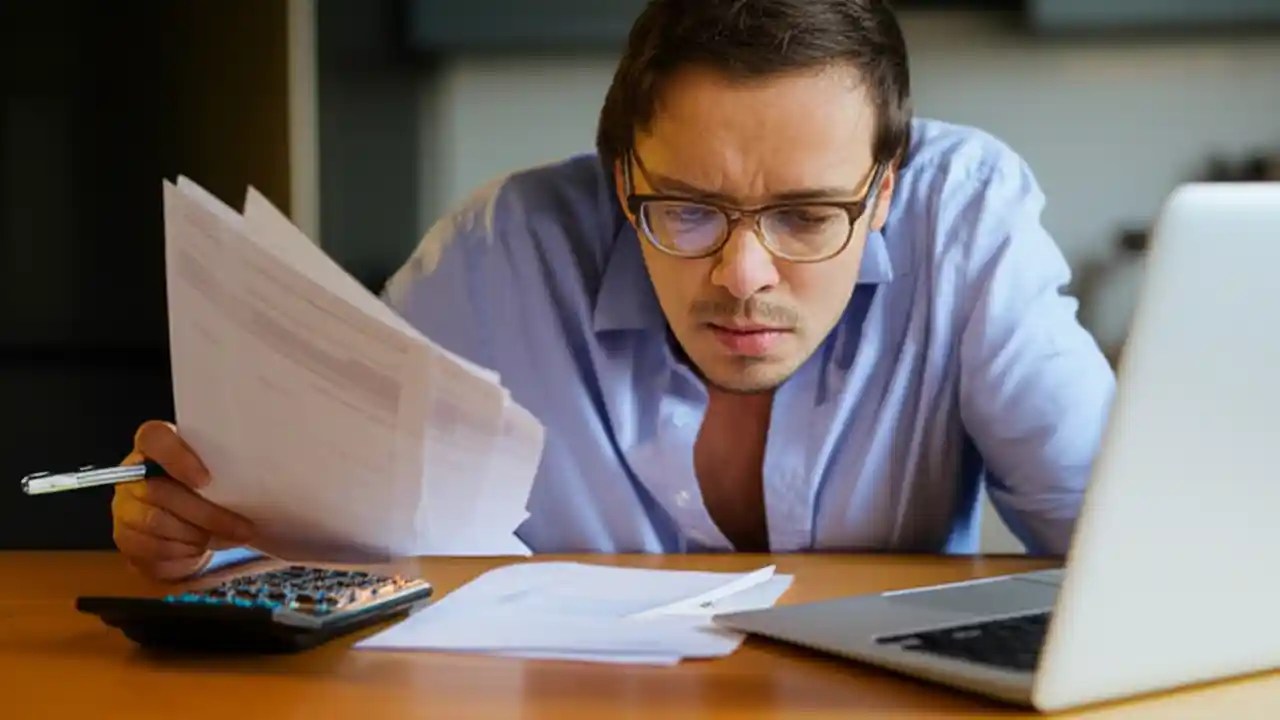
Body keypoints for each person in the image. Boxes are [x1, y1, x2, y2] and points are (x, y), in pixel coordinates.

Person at [112, 0, 1115, 581]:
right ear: (621, 177)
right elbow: (294, 533)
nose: (742, 276)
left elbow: (1123, 548)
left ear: (884, 191)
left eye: (808, 217)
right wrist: (185, 524)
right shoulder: (499, 256)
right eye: (682, 208)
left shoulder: (965, 222)